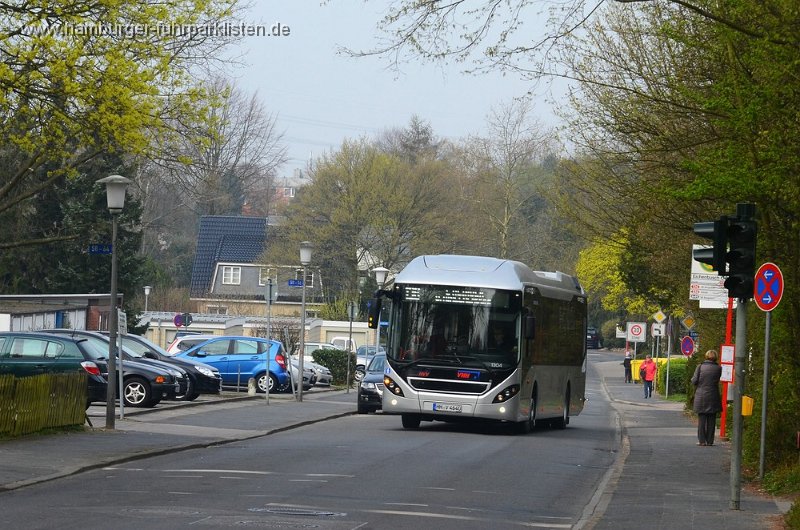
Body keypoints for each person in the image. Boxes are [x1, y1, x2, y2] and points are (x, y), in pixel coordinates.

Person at [691, 349, 723, 446]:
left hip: (701, 396)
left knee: (702, 419)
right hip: (713, 395)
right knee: (712, 419)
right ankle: (710, 441)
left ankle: (702, 441)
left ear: (706, 356)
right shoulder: (719, 368)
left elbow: (694, 381)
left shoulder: (700, 367)